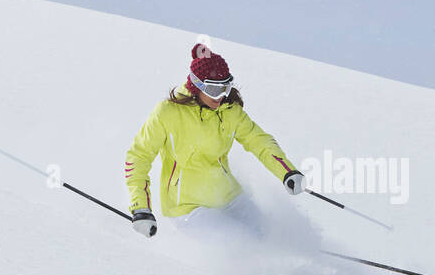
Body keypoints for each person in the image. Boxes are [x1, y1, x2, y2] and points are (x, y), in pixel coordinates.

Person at [126, 43, 306, 243]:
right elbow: (138, 157)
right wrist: (140, 207)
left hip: (228, 197)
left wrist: (287, 171)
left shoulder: (230, 111)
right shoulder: (168, 113)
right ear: (197, 85)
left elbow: (258, 141)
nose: (220, 96)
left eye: (225, 87)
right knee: (239, 245)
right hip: (187, 207)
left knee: (268, 236)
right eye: (213, 89)